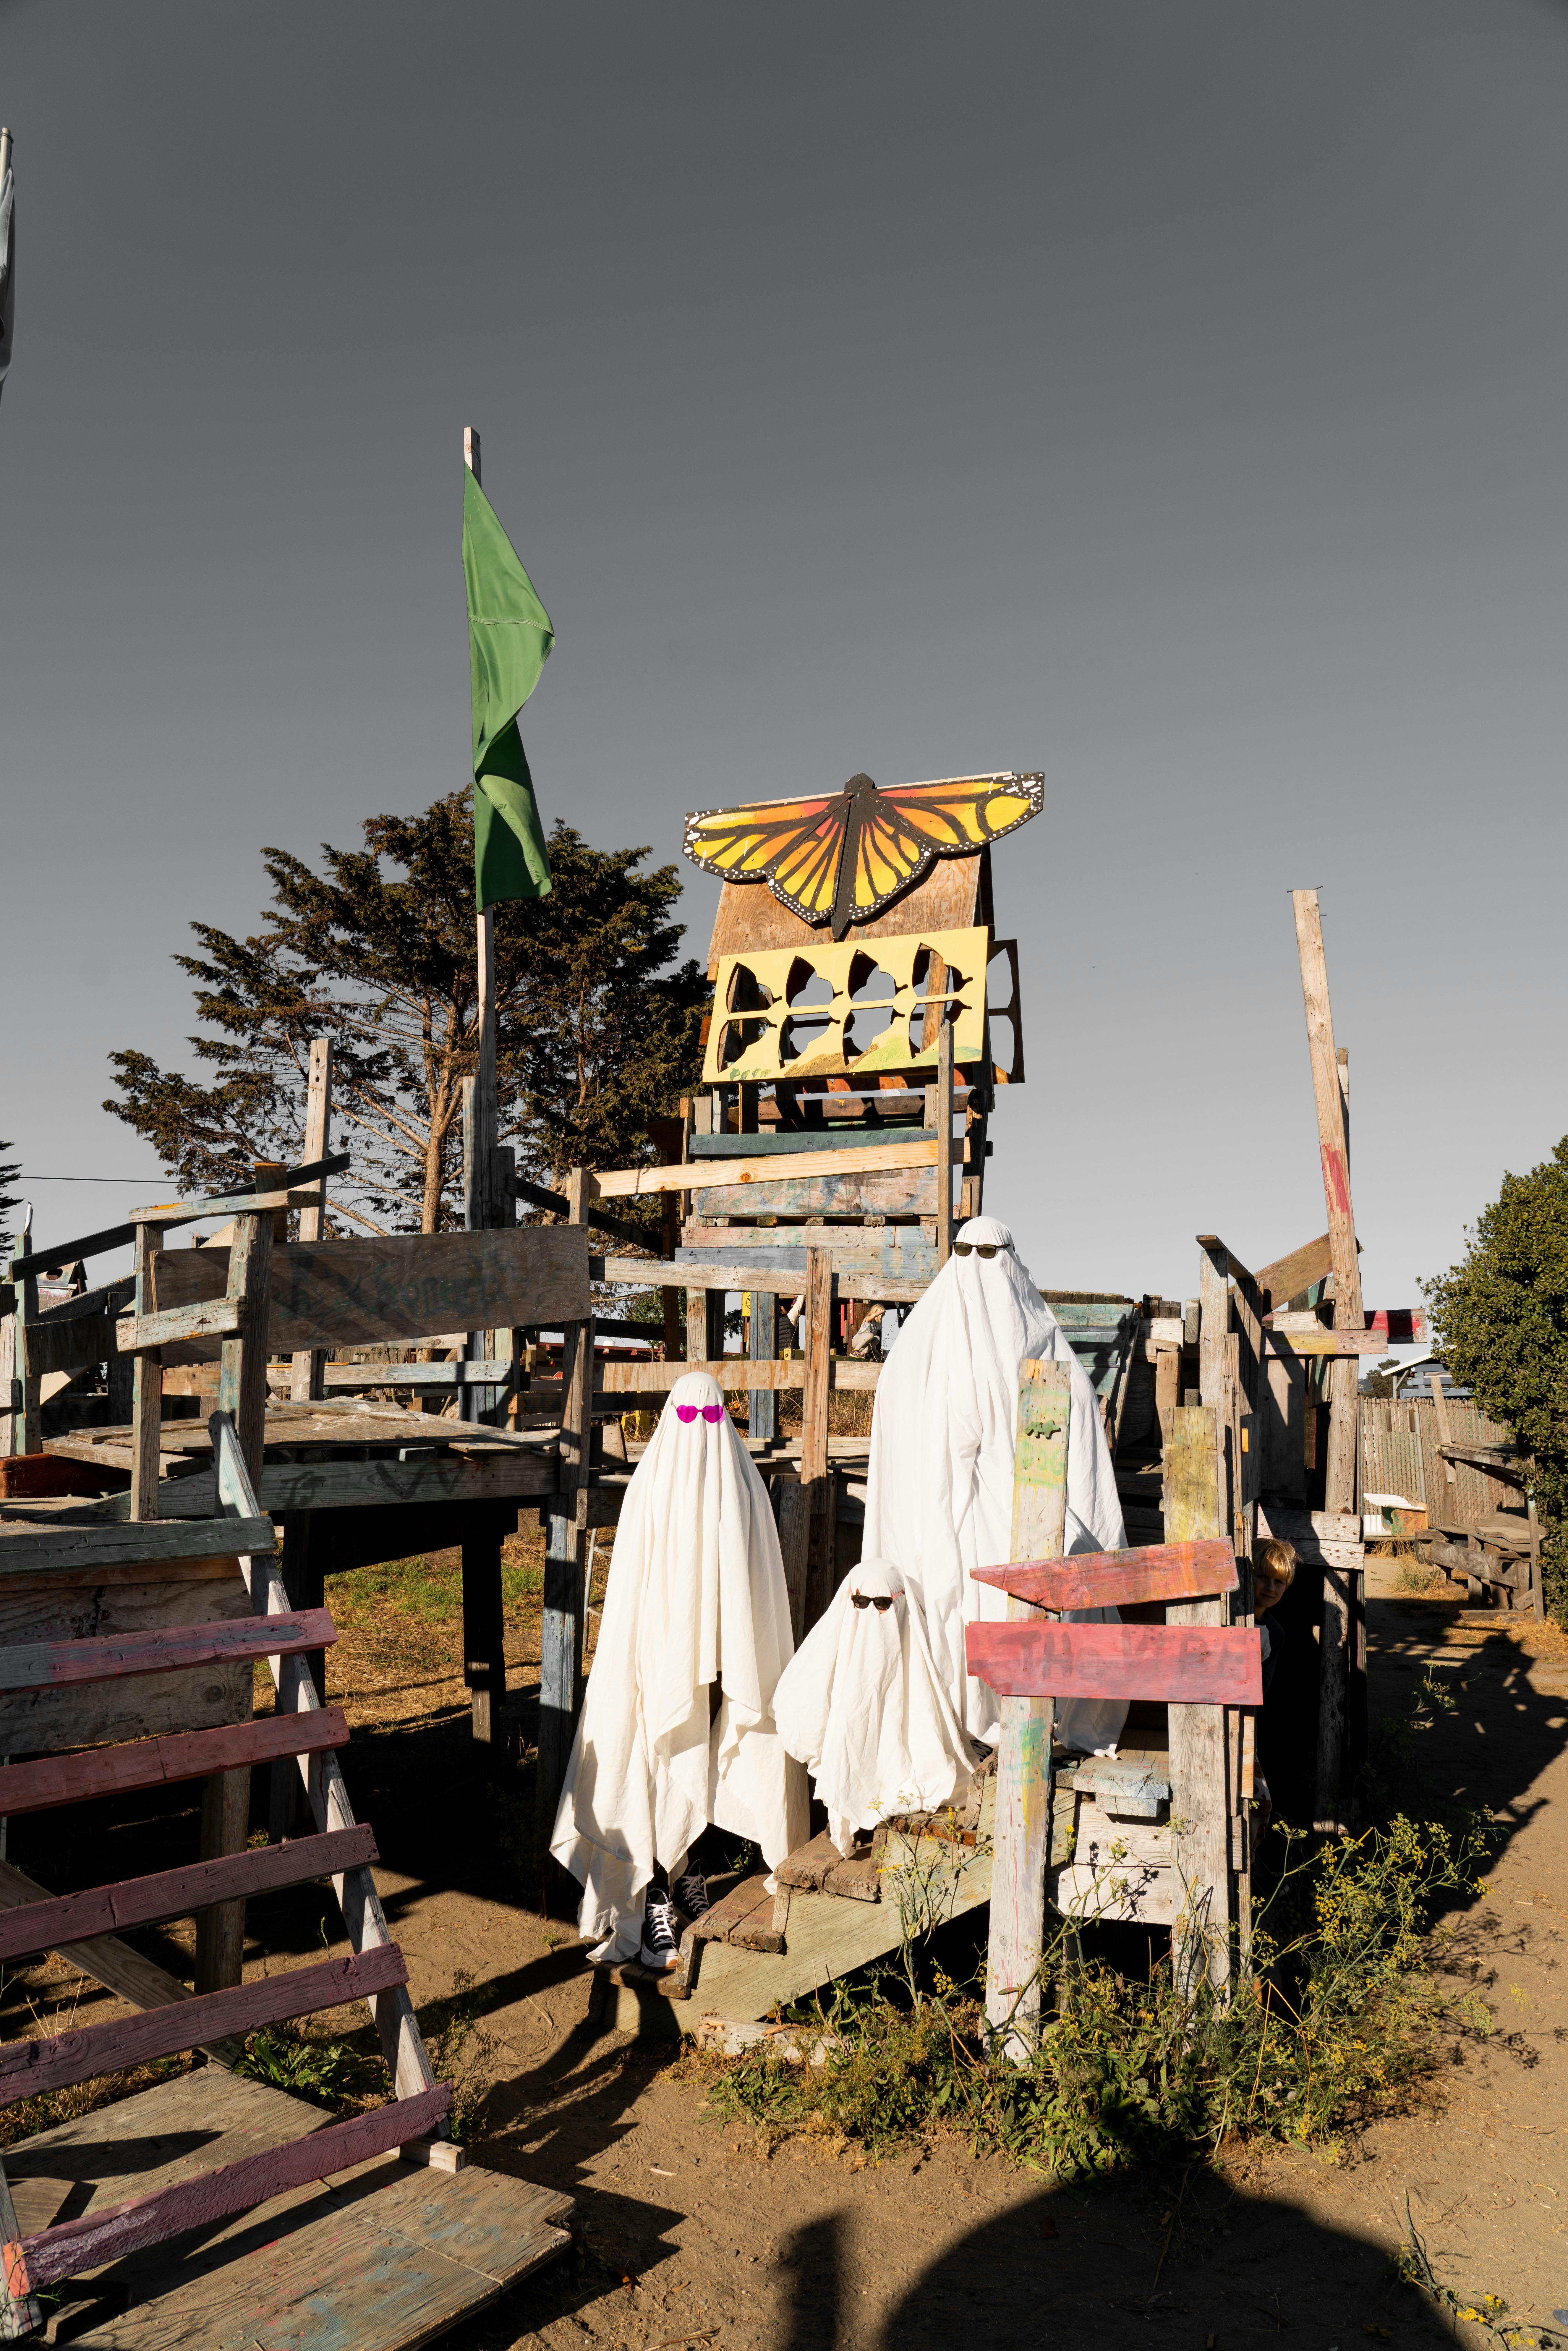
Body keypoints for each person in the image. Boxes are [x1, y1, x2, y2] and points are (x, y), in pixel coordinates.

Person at [550, 1371, 808, 1970]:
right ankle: (656, 1892)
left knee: (721, 1750)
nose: (700, 1430)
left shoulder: (742, 1484)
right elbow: (636, 1590)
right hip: (658, 1661)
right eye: (688, 1418)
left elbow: (756, 1592)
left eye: (712, 1418)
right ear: (670, 1419)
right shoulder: (651, 1487)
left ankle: (691, 1869)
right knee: (658, 1757)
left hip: (726, 1665)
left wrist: (727, 1650)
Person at [861, 1214, 1128, 1755]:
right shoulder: (919, 1352)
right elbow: (906, 1440)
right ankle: (959, 1724)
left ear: (1008, 1259)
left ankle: (1019, 1723)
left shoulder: (1038, 1343)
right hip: (944, 1515)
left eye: (990, 1256)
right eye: (967, 1253)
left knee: (1000, 1606)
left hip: (1026, 1509)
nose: (978, 1269)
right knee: (951, 1605)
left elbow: (1072, 1433)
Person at [772, 1558, 976, 1856]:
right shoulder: (839, 1645)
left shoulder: (918, 1654)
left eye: (881, 1603)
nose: (869, 1612)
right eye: (860, 1601)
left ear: (900, 1601)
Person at [1252, 1536, 1298, 1698]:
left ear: (1287, 1588)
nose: (1271, 1588)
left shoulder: (1275, 1634)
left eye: (1279, 1581)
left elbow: (1261, 1688)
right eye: (1262, 1577)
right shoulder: (1224, 1615)